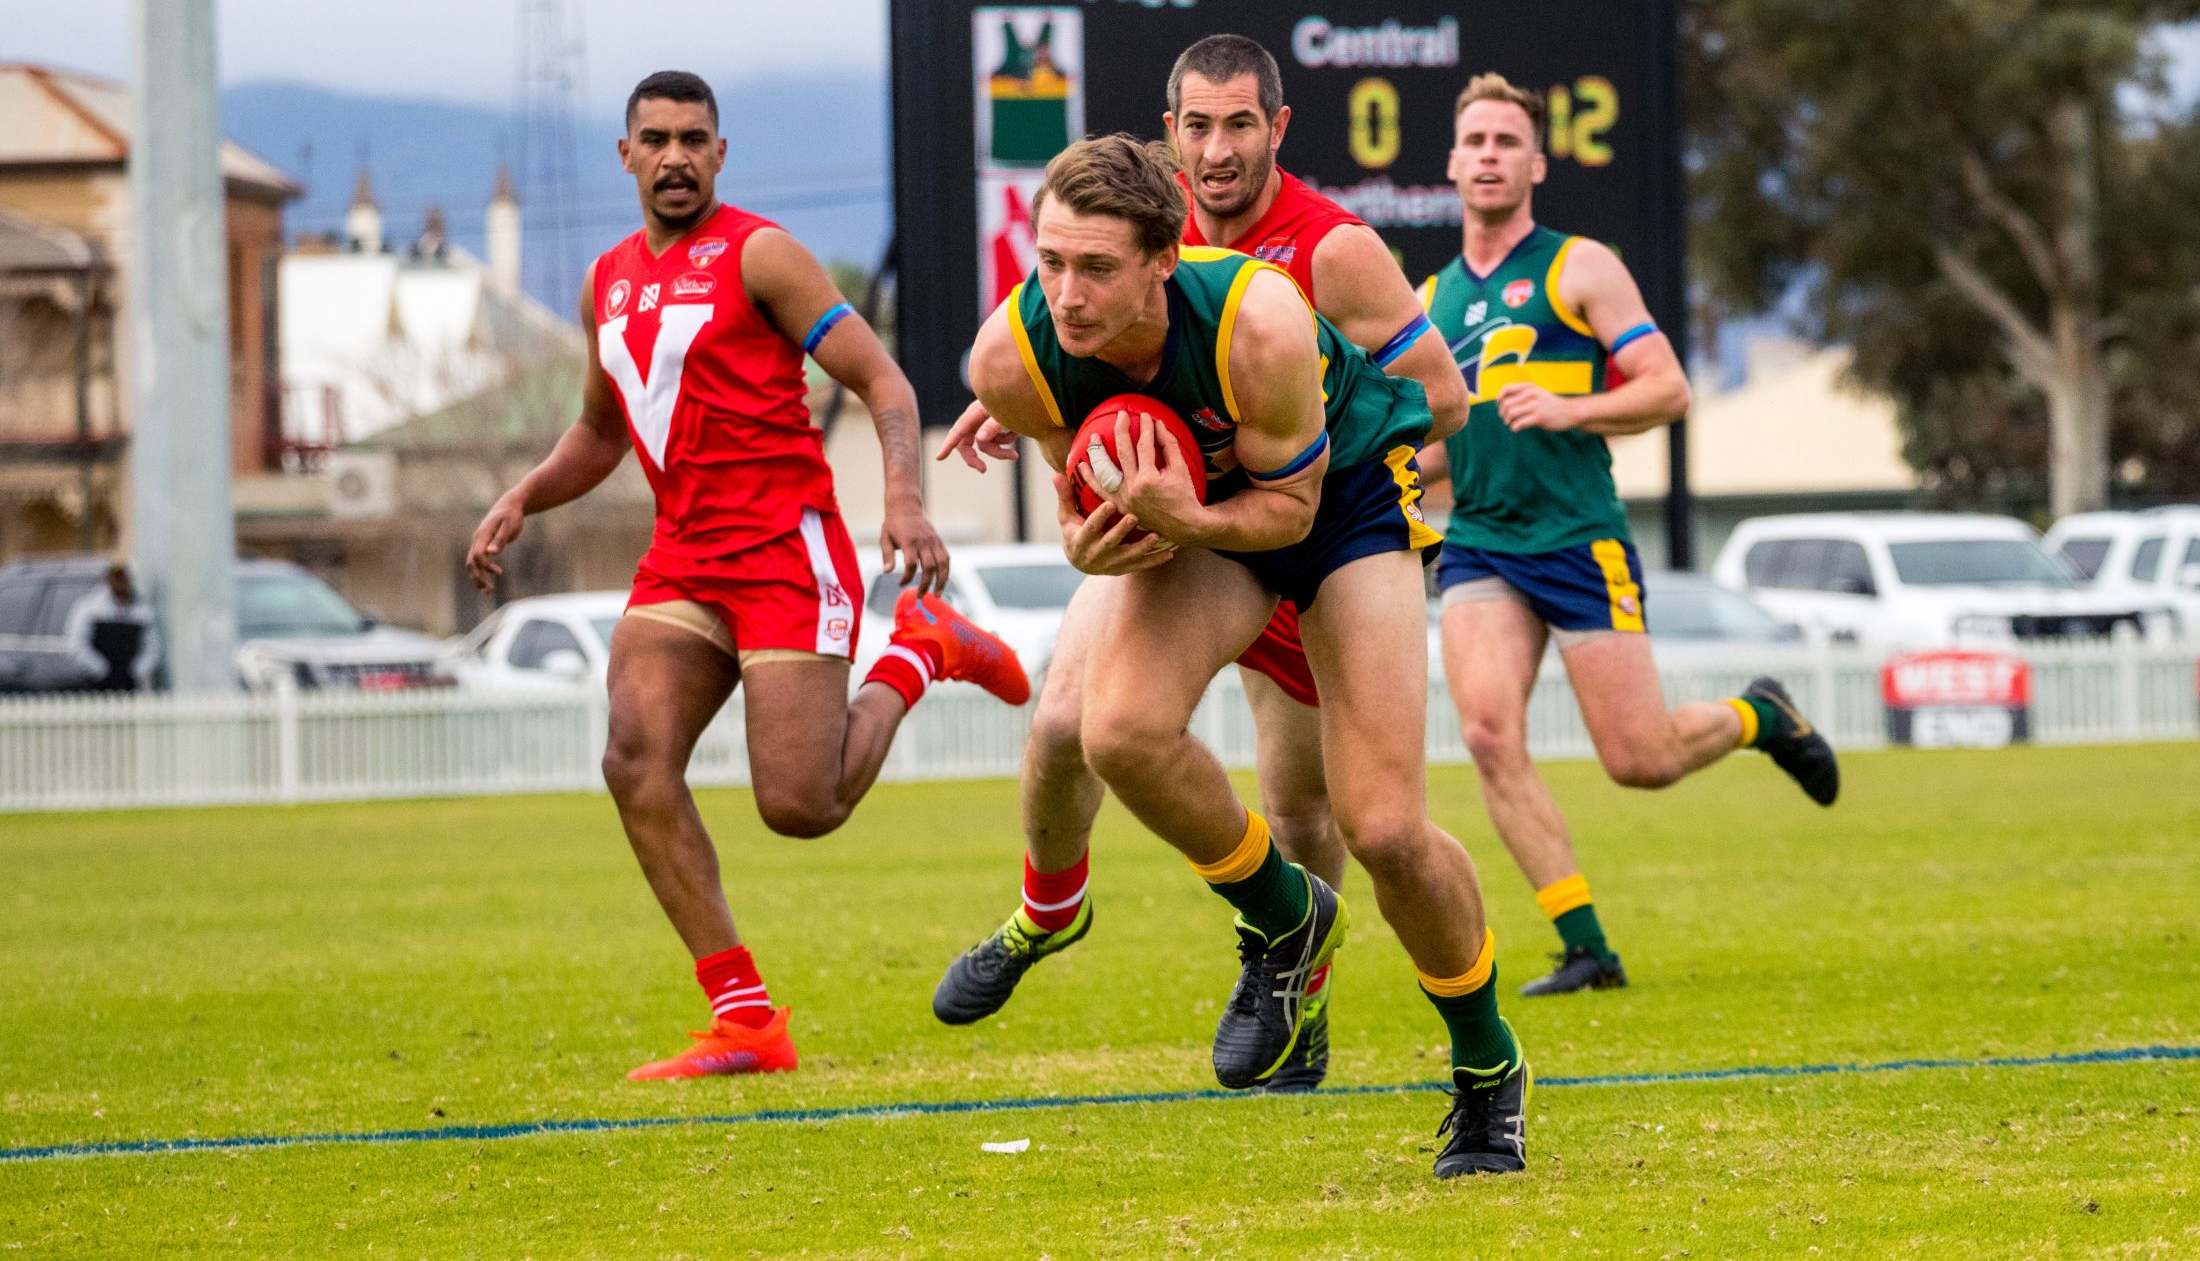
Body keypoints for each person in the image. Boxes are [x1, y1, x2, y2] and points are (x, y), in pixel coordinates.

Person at [964, 133, 1529, 1178]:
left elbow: (1291, 510)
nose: (1066, 294)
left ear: (1162, 263)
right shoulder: (1012, 358)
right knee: (1115, 731)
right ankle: (1287, 915)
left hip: (1340, 501)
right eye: (1048, 263)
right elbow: (1074, 489)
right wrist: (1089, 540)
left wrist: (1185, 515)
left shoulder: (1255, 320)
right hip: (1209, 510)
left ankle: (1488, 1071)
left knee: (1386, 830)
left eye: (1095, 268)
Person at [466, 69, 1029, 1082]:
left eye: (694, 139)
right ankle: (745, 1019)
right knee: (633, 761)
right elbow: (600, 433)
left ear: (720, 155)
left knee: (800, 808)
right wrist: (521, 497)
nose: (675, 155)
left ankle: (917, 653)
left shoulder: (761, 254)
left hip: (783, 550)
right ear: (627, 155)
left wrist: (903, 501)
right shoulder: (606, 281)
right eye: (656, 138)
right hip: (683, 557)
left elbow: (883, 379)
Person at [1418, 73, 1840, 996]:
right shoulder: (1431, 298)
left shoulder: (1581, 267)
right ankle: (1587, 946)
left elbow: (1668, 387)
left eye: (1506, 141)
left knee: (1639, 760)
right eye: (1475, 140)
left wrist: (1572, 407)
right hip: (1482, 538)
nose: (1489, 155)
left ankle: (1759, 715)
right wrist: (1397, 480)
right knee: (1490, 734)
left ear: (1536, 162)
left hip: (1577, 536)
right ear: (1451, 163)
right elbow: (1454, 444)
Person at [65, 563, 157, 692]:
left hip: (130, 683)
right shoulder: (91, 608)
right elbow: (76, 645)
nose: (119, 582)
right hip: (97, 683)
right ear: (108, 579)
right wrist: (100, 669)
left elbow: (152, 648)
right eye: (115, 578)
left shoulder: (141, 610)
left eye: (123, 577)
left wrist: (137, 671)